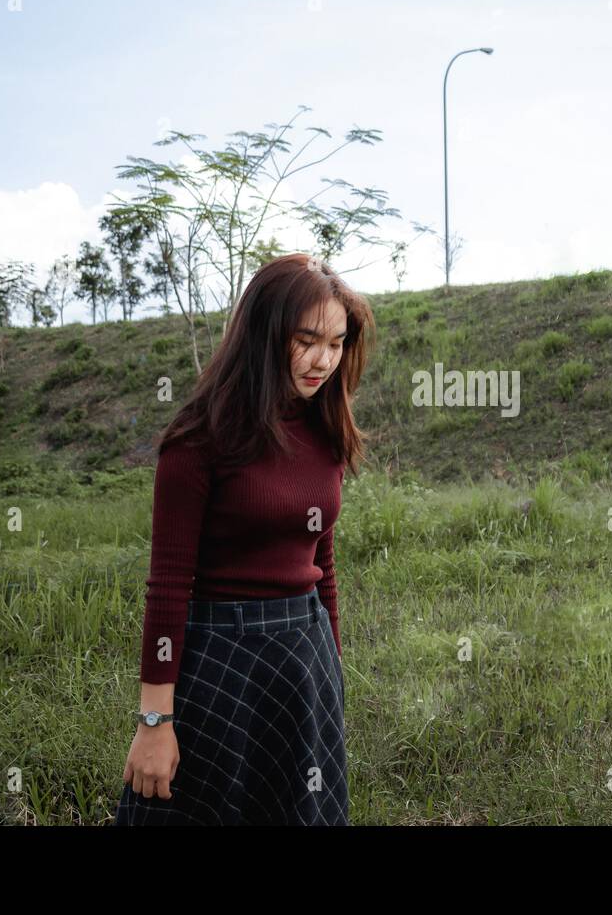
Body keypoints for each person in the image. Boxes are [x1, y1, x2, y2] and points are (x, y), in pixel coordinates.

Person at [114, 253, 373, 825]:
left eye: (335, 344)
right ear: (263, 333)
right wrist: (154, 724)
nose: (323, 361)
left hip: (303, 662)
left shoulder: (325, 430)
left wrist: (332, 674)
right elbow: (167, 587)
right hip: (220, 662)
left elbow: (321, 564)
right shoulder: (199, 439)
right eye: (306, 340)